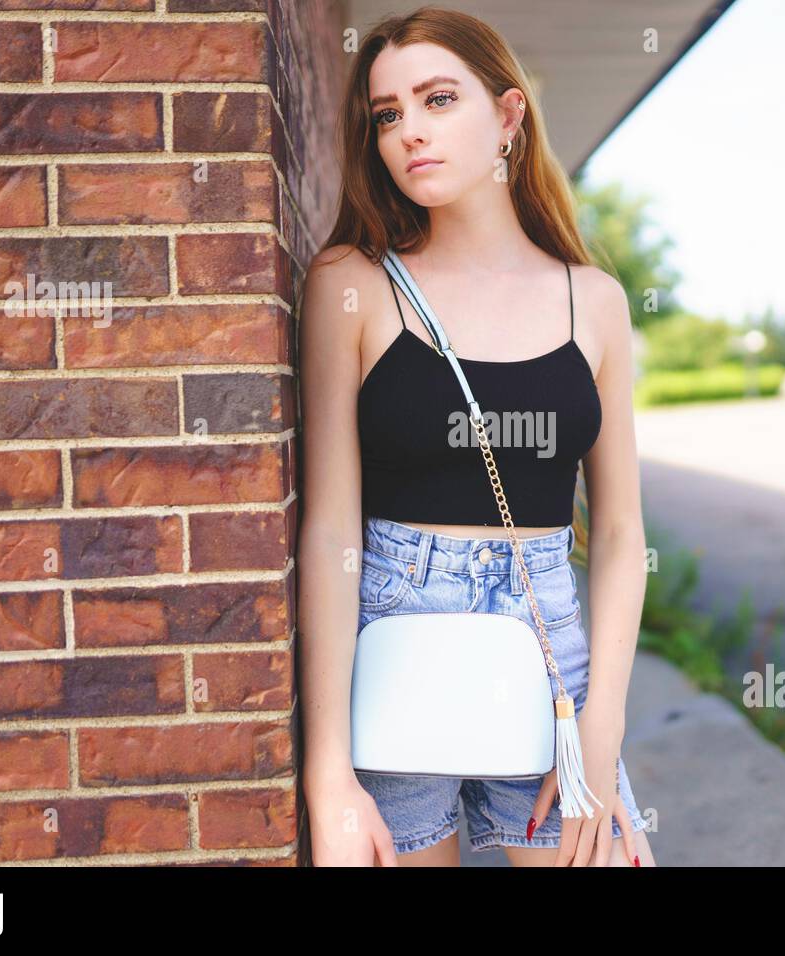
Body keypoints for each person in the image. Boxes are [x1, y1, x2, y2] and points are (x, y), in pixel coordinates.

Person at [298, 5, 654, 868]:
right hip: (394, 634)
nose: (409, 132)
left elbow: (617, 533)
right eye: (388, 114)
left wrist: (602, 727)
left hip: (549, 648)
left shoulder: (593, 301)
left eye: (437, 99)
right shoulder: (352, 283)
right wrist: (327, 771)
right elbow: (331, 528)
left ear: (507, 116)